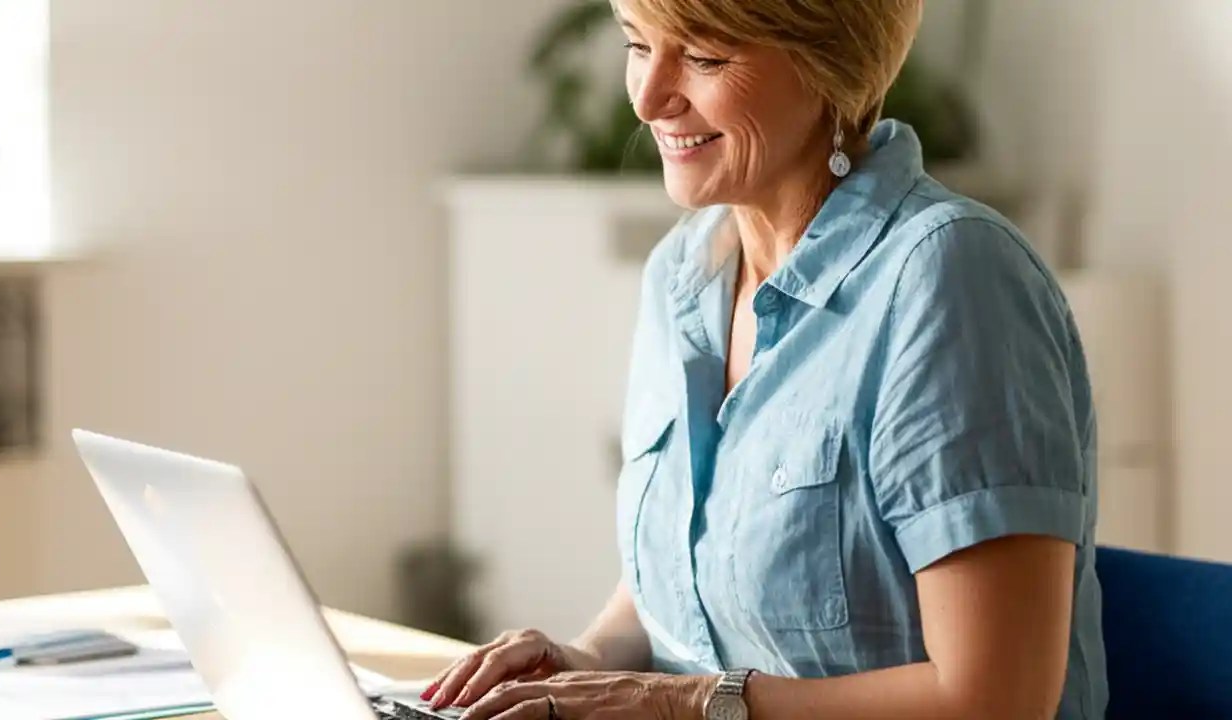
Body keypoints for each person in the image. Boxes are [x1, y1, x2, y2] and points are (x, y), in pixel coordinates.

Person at [426, 1, 1107, 717]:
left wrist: (688, 704)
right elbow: (694, 568)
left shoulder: (948, 279)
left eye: (703, 58)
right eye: (638, 46)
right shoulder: (682, 274)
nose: (649, 97)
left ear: (829, 65)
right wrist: (590, 660)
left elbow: (995, 697)